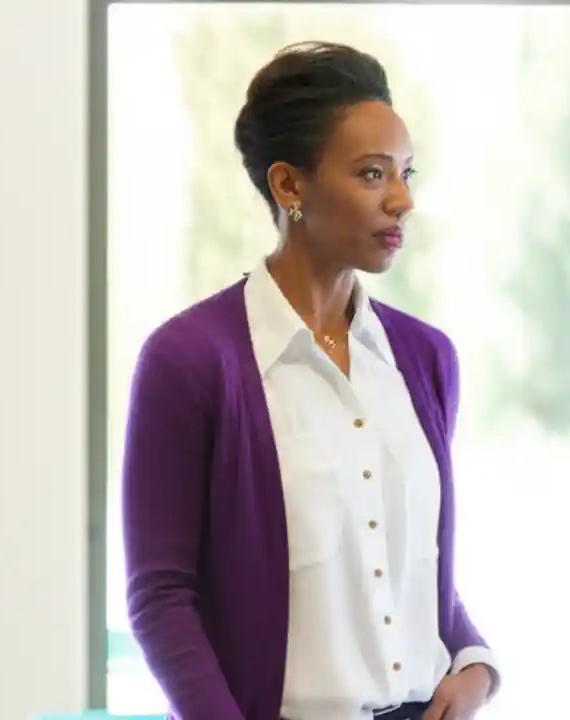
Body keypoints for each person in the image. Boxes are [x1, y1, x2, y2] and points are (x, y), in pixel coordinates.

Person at [121, 42, 499, 720]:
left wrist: (474, 664)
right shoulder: (190, 361)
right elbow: (162, 599)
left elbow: (404, 565)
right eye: (372, 173)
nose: (402, 200)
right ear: (290, 186)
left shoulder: (426, 358)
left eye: (407, 173)